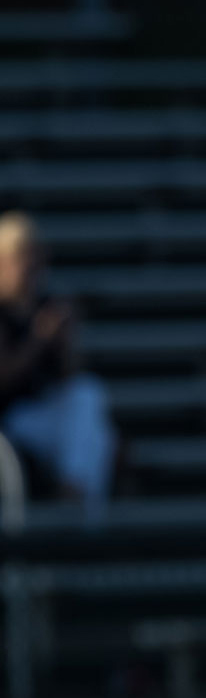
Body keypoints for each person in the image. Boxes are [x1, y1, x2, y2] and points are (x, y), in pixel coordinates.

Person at [0, 211, 116, 520]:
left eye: (32, 259)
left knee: (89, 398)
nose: (28, 269)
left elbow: (68, 378)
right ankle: (82, 521)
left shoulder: (45, 305)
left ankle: (74, 497)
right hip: (11, 420)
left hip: (45, 414)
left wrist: (64, 342)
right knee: (100, 437)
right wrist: (38, 340)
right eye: (19, 259)